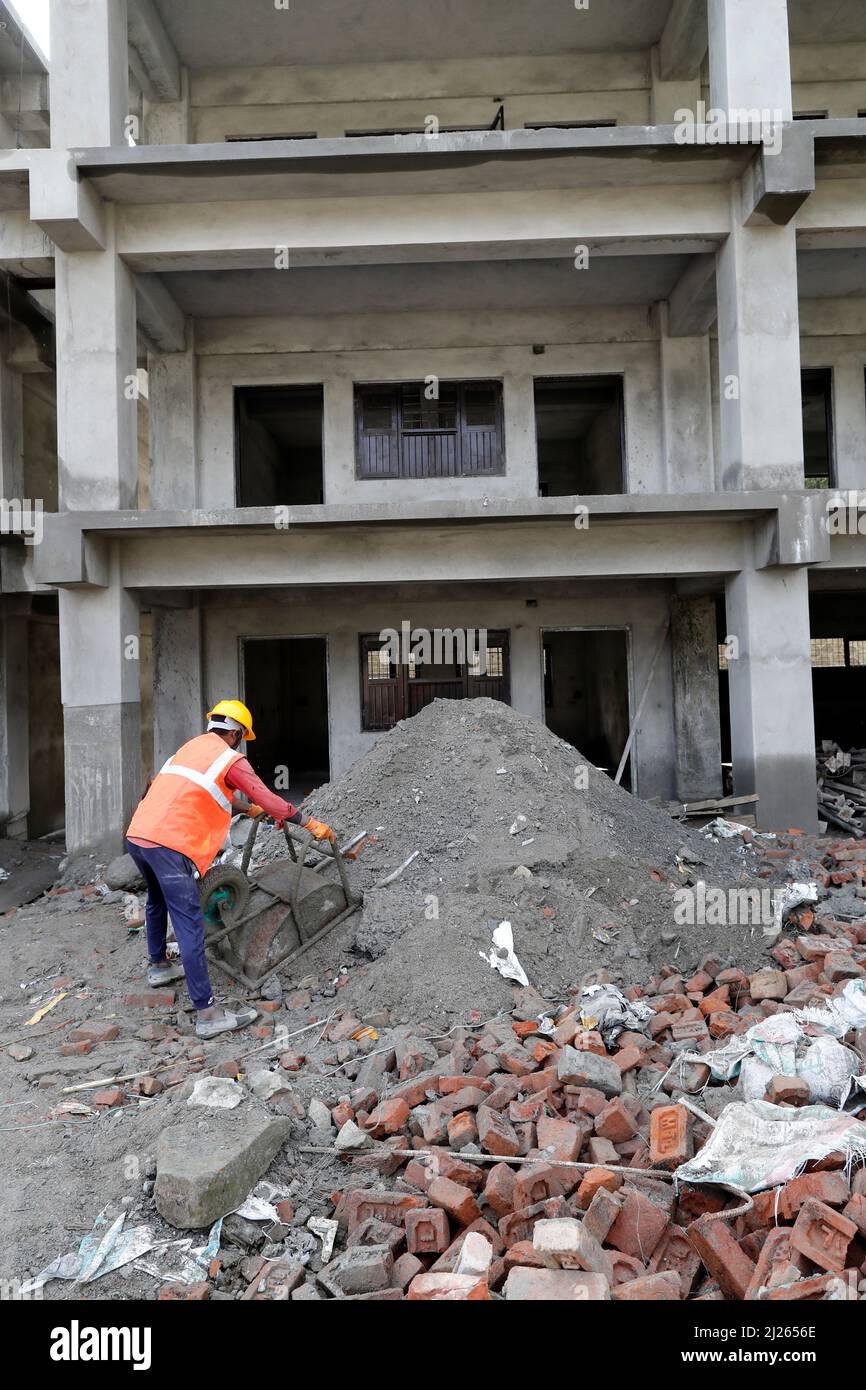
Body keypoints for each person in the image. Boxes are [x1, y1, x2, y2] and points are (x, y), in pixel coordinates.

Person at [126, 699, 335, 1038]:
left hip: (138, 835)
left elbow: (198, 792)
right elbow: (266, 795)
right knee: (190, 922)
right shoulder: (230, 759)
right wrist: (307, 822)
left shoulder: (190, 749)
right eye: (242, 737)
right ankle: (207, 1014)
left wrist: (247, 810)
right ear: (237, 734)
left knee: (156, 900)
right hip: (169, 843)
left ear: (213, 726)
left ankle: (158, 966)